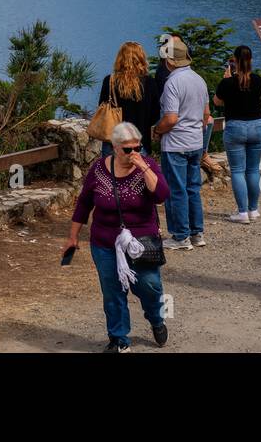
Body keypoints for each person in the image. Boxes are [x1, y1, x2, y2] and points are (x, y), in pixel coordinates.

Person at [64, 122, 170, 352]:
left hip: (141, 241)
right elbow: (84, 203)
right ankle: (119, 339)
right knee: (112, 291)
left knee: (149, 286)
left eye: (137, 148)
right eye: (128, 149)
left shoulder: (148, 165)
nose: (134, 153)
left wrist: (144, 168)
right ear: (114, 147)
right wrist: (73, 236)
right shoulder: (99, 169)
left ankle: (156, 318)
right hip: (105, 240)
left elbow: (162, 195)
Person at [155, 38, 212, 250]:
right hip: (195, 142)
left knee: (176, 190)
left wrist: (157, 131)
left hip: (176, 144)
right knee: (192, 189)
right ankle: (197, 233)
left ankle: (180, 236)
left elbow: (170, 118)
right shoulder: (199, 80)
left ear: (169, 61)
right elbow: (206, 114)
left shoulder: (172, 83)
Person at [214, 45, 261, 224]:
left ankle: (242, 212)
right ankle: (253, 209)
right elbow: (258, 97)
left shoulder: (228, 83)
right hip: (257, 126)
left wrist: (227, 80)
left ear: (234, 61)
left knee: (237, 170)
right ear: (250, 60)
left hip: (235, 126)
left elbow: (217, 102)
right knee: (253, 169)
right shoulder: (258, 80)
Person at [97, 41, 161, 158]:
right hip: (139, 141)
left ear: (120, 58)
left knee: (111, 174)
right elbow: (156, 113)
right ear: (141, 58)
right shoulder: (149, 82)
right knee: (138, 175)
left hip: (113, 141)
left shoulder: (109, 81)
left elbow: (101, 107)